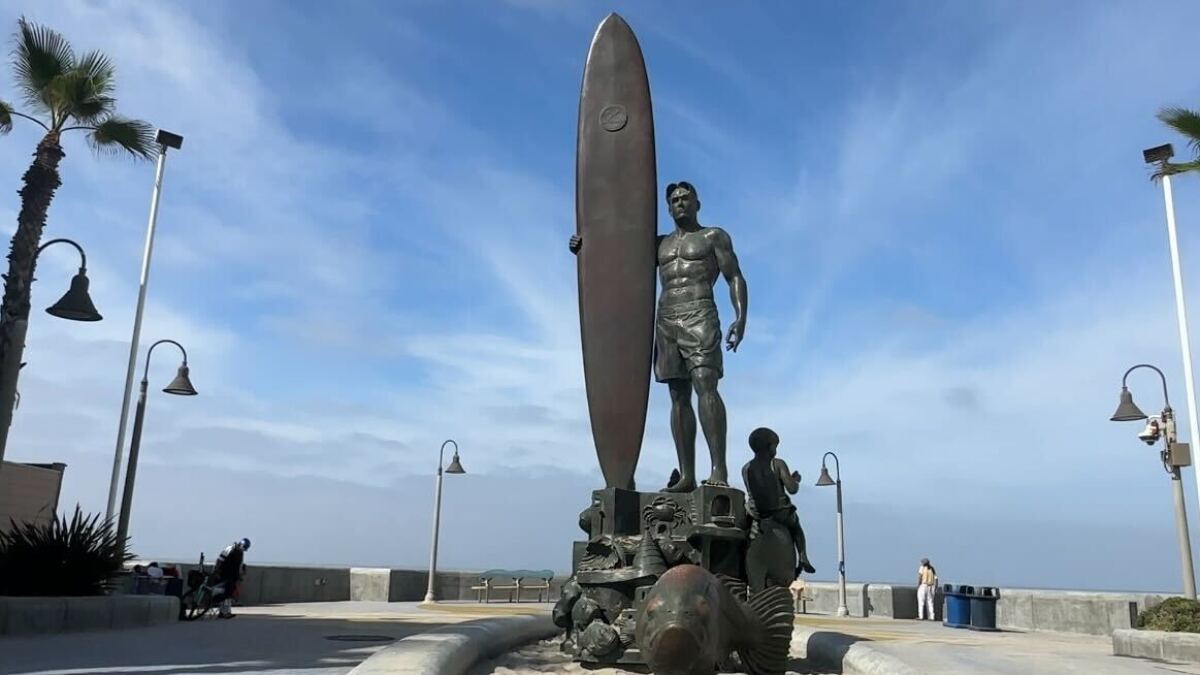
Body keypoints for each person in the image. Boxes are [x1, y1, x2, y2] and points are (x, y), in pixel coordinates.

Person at [570, 181, 748, 492]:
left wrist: (741, 317)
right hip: (666, 319)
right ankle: (687, 475)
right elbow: (615, 259)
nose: (680, 203)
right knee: (678, 397)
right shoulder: (658, 245)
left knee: (706, 385)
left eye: (685, 198)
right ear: (667, 207)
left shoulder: (713, 236)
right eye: (675, 200)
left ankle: (718, 468)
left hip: (699, 314)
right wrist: (584, 247)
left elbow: (734, 276)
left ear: (697, 203)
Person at [741, 427, 816, 576]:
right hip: (779, 513)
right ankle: (803, 556)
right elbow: (792, 489)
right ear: (770, 446)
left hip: (758, 514)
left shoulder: (746, 468)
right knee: (796, 526)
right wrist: (796, 479)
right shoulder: (777, 464)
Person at [212, 538, 250, 619]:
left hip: (232, 577)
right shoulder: (230, 549)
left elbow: (239, 566)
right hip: (224, 575)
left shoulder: (240, 553)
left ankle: (226, 612)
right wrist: (216, 571)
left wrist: (239, 576)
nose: (243, 550)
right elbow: (220, 559)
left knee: (228, 594)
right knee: (225, 594)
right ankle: (224, 612)